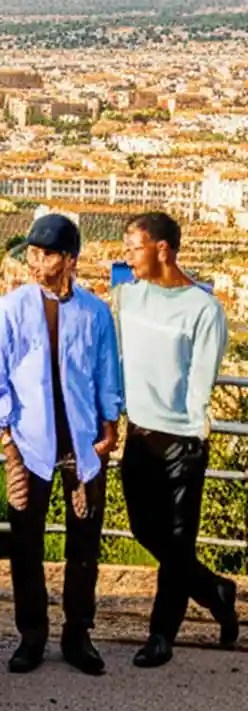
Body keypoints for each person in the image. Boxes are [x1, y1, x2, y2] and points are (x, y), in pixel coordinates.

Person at [0, 213, 122, 676]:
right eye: (33, 254)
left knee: (84, 548)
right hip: (28, 445)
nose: (36, 263)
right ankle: (31, 636)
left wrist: (111, 425)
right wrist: (7, 439)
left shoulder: (96, 313)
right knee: (25, 545)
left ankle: (79, 636)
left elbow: (105, 375)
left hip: (83, 447)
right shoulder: (10, 309)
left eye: (46, 254)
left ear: (70, 260)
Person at [113, 211, 240, 667]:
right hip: (137, 432)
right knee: (145, 530)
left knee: (178, 542)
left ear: (161, 249)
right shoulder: (127, 296)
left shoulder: (204, 311)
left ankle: (161, 635)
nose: (126, 258)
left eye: (134, 248)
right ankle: (215, 590)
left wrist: (190, 438)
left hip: (181, 440)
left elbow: (202, 380)